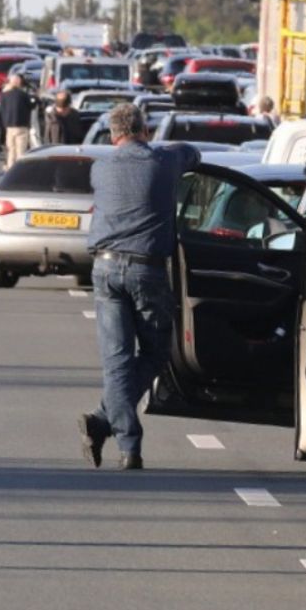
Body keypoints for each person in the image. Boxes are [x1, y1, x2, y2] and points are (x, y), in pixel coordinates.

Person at [78, 103, 200, 470]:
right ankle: (121, 437)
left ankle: (108, 425)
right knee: (155, 353)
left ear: (113, 135)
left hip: (104, 267)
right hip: (146, 270)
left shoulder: (100, 168)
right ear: (146, 131)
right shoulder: (164, 162)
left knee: (116, 360)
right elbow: (192, 154)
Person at [0, 74, 36, 167]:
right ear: (19, 83)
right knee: (21, 151)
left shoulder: (5, 95)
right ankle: (19, 170)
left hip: (9, 126)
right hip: (21, 126)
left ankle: (10, 169)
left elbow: (1, 110)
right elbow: (31, 106)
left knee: (11, 150)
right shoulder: (23, 95)